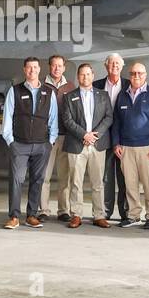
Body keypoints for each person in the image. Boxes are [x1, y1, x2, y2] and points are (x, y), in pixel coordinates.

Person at [1, 57, 58, 229]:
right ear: (24, 70)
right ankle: (14, 216)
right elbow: (8, 116)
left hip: (42, 145)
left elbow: (53, 118)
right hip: (19, 144)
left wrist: (50, 141)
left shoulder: (49, 92)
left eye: (35, 67)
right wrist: (10, 140)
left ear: (39, 69)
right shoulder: (15, 91)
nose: (32, 70)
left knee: (38, 180)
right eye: (29, 68)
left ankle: (32, 215)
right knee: (16, 180)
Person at [112, 62, 149, 229]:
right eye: (133, 73)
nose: (136, 76)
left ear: (146, 75)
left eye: (140, 73)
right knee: (130, 183)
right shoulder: (122, 95)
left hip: (148, 148)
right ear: (129, 75)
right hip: (126, 148)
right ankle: (133, 215)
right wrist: (116, 143)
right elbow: (116, 122)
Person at [59, 63, 112, 228]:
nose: (85, 77)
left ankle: (99, 215)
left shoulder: (103, 95)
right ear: (78, 76)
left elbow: (108, 117)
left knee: (98, 183)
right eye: (82, 75)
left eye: (88, 74)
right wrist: (84, 135)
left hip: (97, 144)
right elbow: (67, 120)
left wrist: (94, 136)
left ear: (93, 75)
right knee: (75, 182)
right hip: (77, 144)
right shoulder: (69, 96)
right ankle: (76, 214)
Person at [41, 55, 76, 222]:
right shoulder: (41, 86)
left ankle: (63, 210)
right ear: (49, 66)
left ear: (64, 68)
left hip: (65, 137)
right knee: (44, 176)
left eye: (60, 66)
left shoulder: (70, 86)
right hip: (46, 138)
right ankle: (43, 210)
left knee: (64, 177)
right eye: (54, 65)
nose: (57, 68)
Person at [93, 53, 128, 221]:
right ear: (106, 66)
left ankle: (125, 212)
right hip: (103, 137)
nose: (114, 66)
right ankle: (105, 211)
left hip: (124, 138)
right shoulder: (96, 85)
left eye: (117, 63)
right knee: (105, 177)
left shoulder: (130, 84)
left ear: (122, 67)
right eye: (111, 63)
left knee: (124, 176)